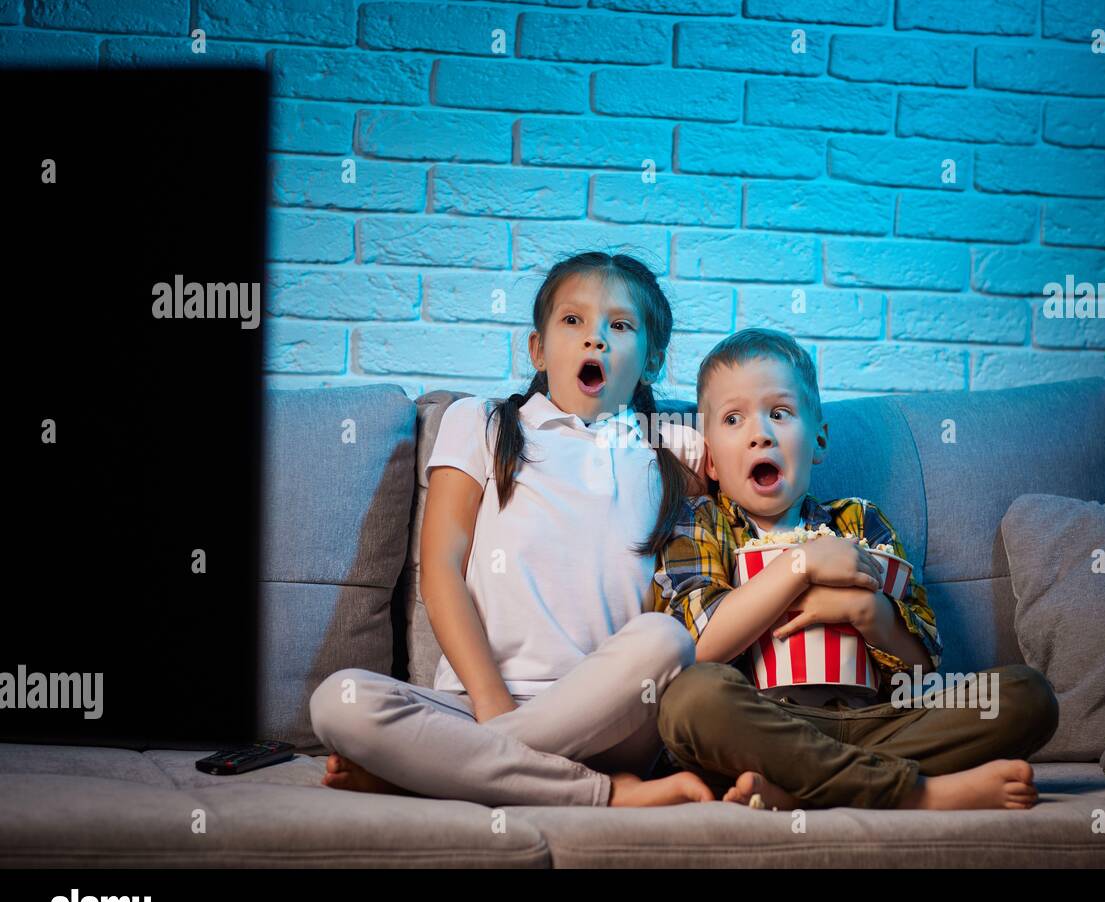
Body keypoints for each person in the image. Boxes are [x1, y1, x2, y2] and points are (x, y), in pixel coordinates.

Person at [310, 252, 715, 807]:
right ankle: (600, 794)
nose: (594, 338)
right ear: (538, 349)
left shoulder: (672, 453)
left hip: (613, 718)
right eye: (572, 321)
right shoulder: (481, 422)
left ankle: (437, 771)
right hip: (477, 703)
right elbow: (442, 572)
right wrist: (493, 703)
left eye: (619, 326)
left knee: (666, 639)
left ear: (652, 361)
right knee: (339, 700)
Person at [652, 328, 1059, 811]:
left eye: (779, 413)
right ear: (712, 460)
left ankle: (799, 783)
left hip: (877, 718)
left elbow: (920, 667)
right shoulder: (699, 523)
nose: (760, 432)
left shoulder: (859, 520)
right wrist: (802, 565)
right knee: (690, 701)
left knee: (1026, 696)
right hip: (760, 719)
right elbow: (699, 650)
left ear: (819, 438)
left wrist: (866, 611)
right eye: (734, 418)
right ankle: (917, 792)